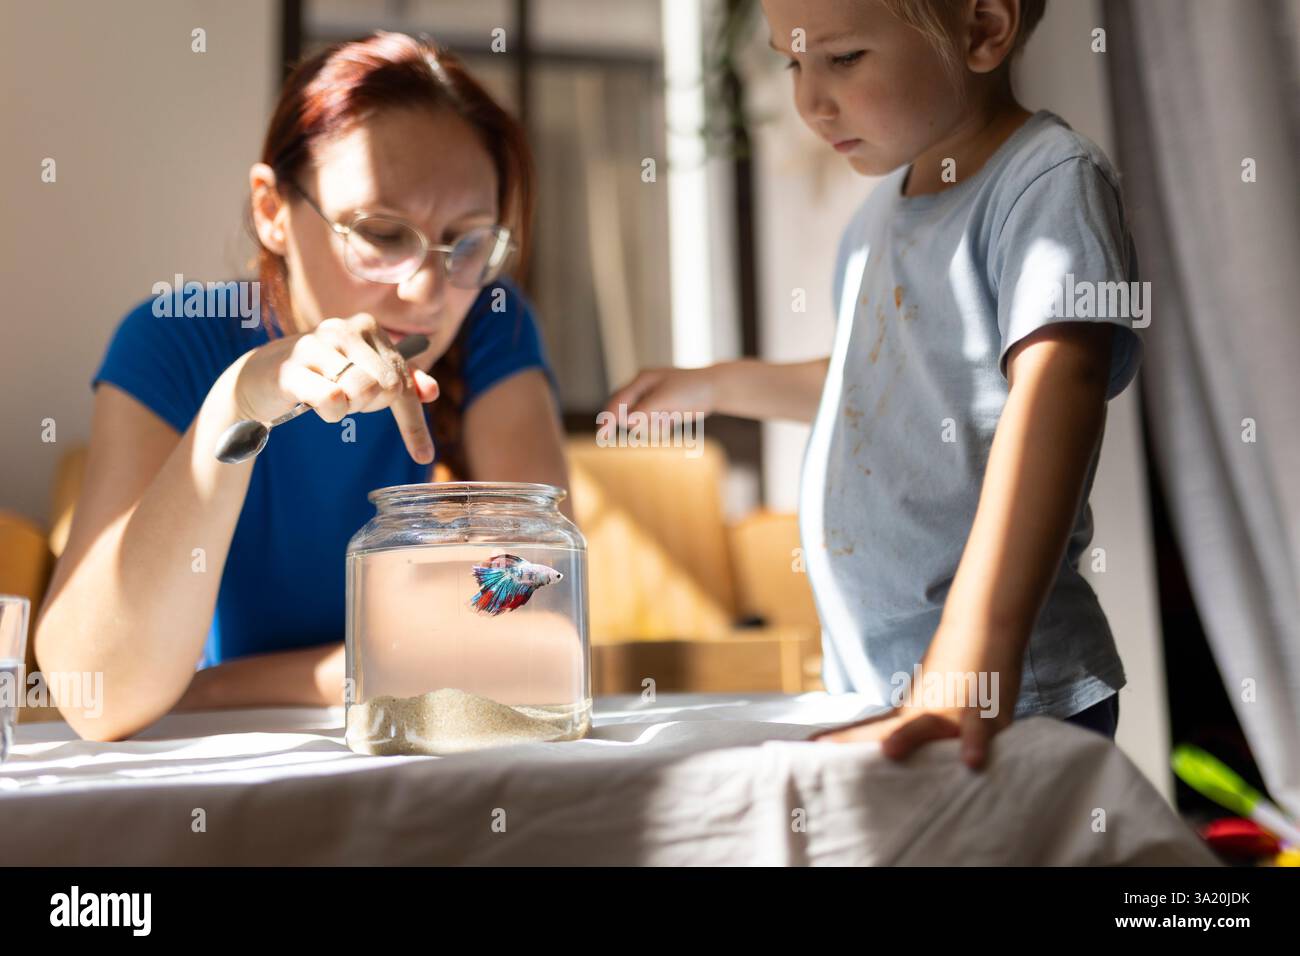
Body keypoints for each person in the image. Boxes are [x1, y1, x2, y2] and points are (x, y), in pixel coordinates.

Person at [608, 0, 1141, 767]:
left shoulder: (1049, 181)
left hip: (1004, 697)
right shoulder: (871, 222)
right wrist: (716, 386)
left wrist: (969, 663)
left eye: (844, 59)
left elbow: (1057, 396)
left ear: (984, 29)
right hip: (877, 687)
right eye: (794, 62)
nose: (808, 100)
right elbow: (873, 386)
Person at [35, 32, 568, 741]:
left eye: (468, 242)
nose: (429, 291)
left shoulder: (493, 328)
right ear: (272, 210)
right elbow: (95, 690)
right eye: (382, 233)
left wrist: (208, 690)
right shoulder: (175, 338)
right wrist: (237, 403)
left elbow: (540, 625)